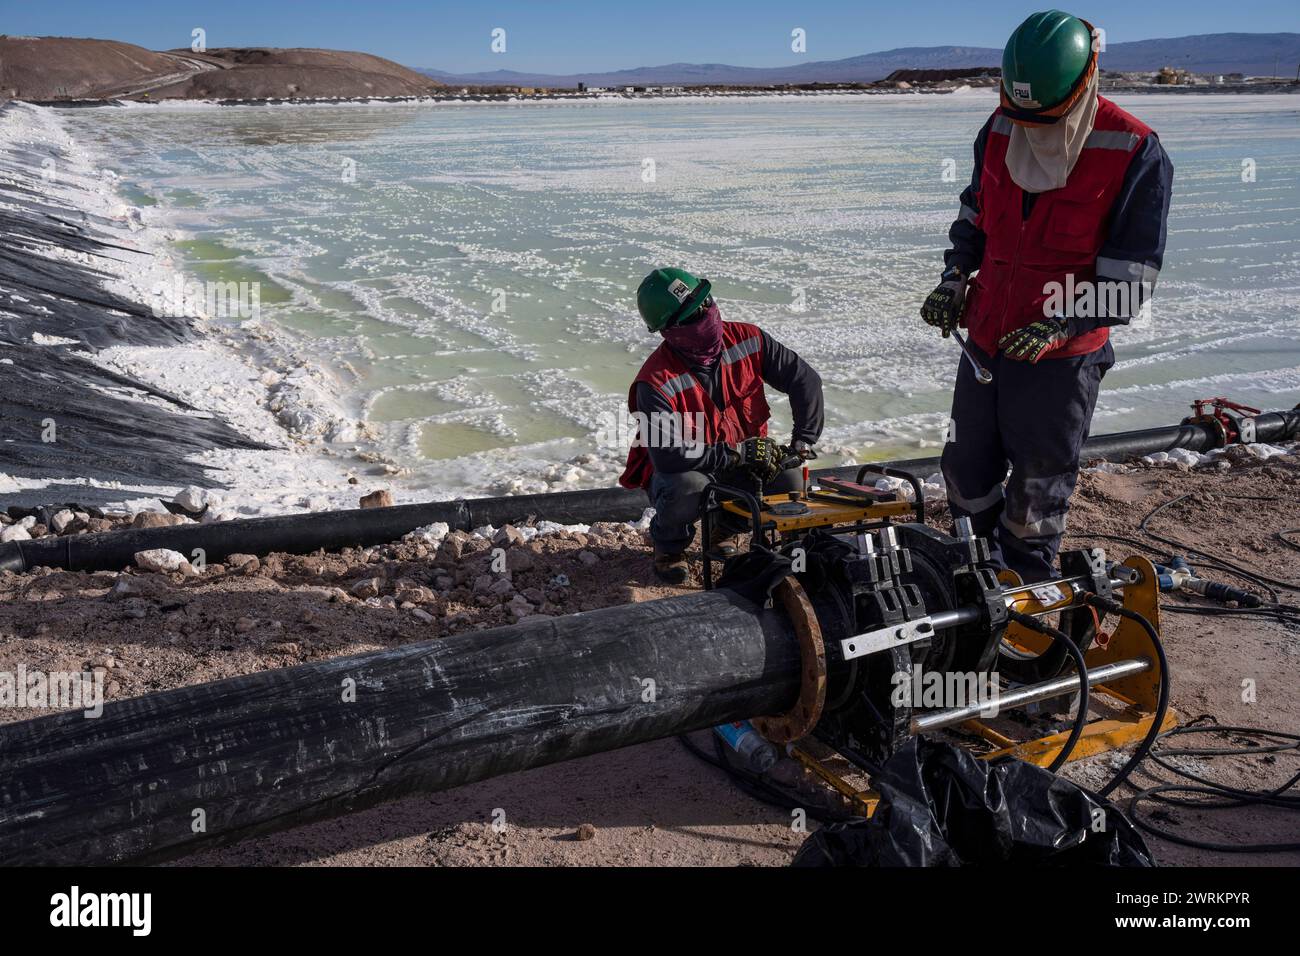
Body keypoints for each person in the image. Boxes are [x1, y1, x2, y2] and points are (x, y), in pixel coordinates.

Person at [921, 9, 1173, 582]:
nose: (1031, 131)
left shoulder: (1133, 149)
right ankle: (969, 571)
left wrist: (1063, 324)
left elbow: (1130, 279)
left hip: (1062, 362)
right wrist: (956, 277)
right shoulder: (1000, 129)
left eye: (1046, 118)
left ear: (1084, 81)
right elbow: (975, 215)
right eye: (1020, 115)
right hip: (987, 341)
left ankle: (1025, 594)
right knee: (964, 467)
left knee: (1037, 485)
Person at [619, 267, 824, 583]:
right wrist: (738, 453)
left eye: (706, 302)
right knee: (687, 487)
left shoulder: (748, 339)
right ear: (668, 331)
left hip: (743, 461)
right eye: (692, 315)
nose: (706, 314)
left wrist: (802, 442)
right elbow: (669, 456)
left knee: (790, 478)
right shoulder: (655, 382)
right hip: (686, 470)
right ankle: (669, 547)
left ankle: (725, 529)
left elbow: (804, 380)